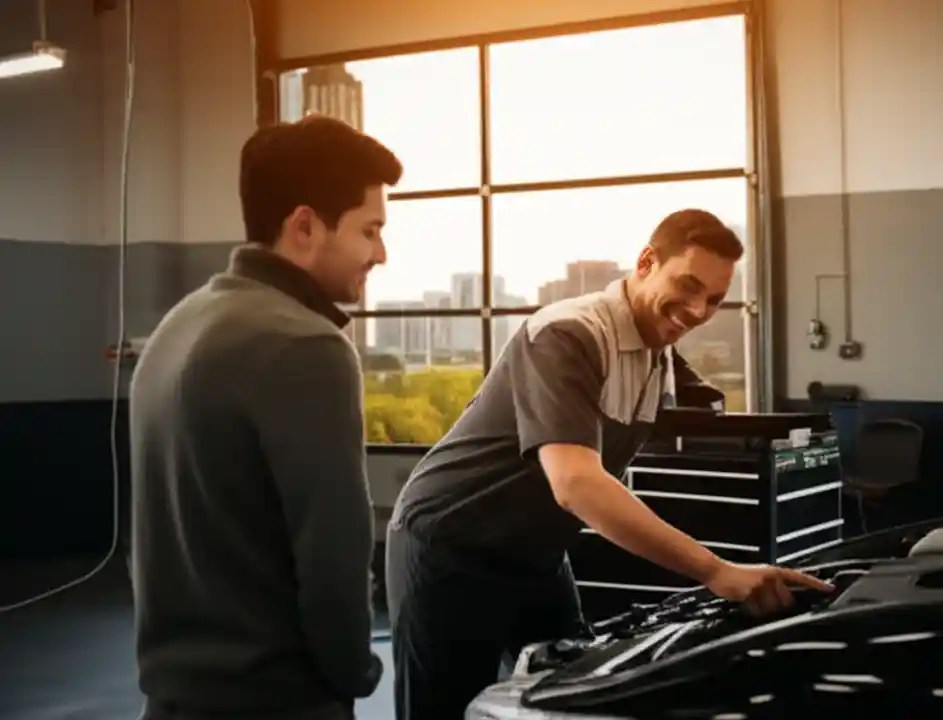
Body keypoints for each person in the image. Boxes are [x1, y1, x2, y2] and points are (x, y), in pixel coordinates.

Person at [385, 209, 834, 719]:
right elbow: (575, 483)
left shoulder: (654, 352)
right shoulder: (567, 333)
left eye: (713, 299)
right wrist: (715, 570)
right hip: (452, 542)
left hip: (537, 553)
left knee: (574, 697)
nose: (697, 309)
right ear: (646, 261)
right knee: (442, 710)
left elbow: (698, 411)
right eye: (687, 285)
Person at [129, 115, 402, 720]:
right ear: (304, 225)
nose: (380, 253)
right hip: (276, 700)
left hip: (171, 696)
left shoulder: (179, 325)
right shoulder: (305, 346)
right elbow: (333, 551)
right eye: (370, 229)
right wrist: (354, 674)